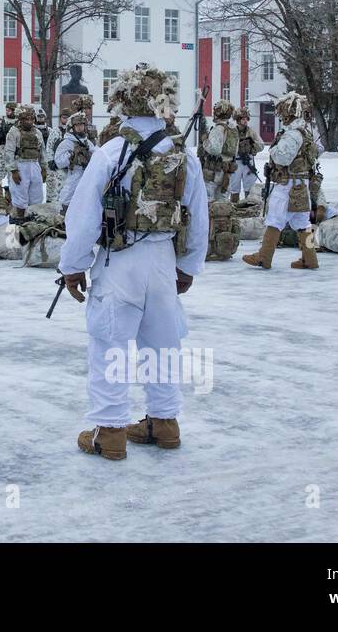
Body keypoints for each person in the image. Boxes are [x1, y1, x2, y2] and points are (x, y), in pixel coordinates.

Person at [58, 63, 208, 461]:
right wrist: (189, 266)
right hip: (162, 259)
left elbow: (84, 214)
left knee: (110, 345)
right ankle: (165, 423)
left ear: (122, 101)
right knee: (162, 344)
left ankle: (109, 433)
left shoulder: (112, 150)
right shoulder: (181, 151)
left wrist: (72, 265)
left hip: (118, 259)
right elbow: (199, 215)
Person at [242, 91, 321, 271]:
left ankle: (264, 256)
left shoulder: (293, 134)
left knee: (274, 220)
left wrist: (273, 150)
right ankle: (310, 258)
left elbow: (283, 157)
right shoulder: (306, 132)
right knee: (303, 223)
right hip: (302, 184)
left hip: (287, 184)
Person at [3, 103, 47, 217]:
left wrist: (43, 168)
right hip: (20, 165)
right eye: (26, 119)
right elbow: (9, 152)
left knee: (36, 196)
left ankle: (33, 221)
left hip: (34, 164)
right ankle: (20, 220)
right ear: (20, 119)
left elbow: (42, 151)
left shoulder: (37, 132)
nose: (29, 121)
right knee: (20, 197)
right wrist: (13, 171)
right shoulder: (14, 132)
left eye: (32, 118)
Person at [54, 112, 95, 212]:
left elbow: (96, 157)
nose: (80, 127)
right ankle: (64, 218)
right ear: (72, 127)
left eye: (82, 125)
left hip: (87, 174)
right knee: (67, 198)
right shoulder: (68, 142)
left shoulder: (88, 142)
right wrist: (71, 155)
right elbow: (58, 161)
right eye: (78, 125)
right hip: (74, 174)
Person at [199, 100, 238, 201]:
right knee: (223, 201)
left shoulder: (218, 129)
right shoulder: (233, 129)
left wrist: (205, 141)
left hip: (214, 170)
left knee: (207, 199)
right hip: (227, 171)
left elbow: (215, 149)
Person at [230, 108, 263, 202]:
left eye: (246, 119)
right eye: (243, 119)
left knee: (249, 187)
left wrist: (252, 144)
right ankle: (234, 207)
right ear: (238, 120)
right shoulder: (232, 132)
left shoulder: (251, 132)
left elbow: (261, 146)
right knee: (234, 187)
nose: (245, 121)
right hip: (236, 161)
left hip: (248, 161)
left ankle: (248, 206)